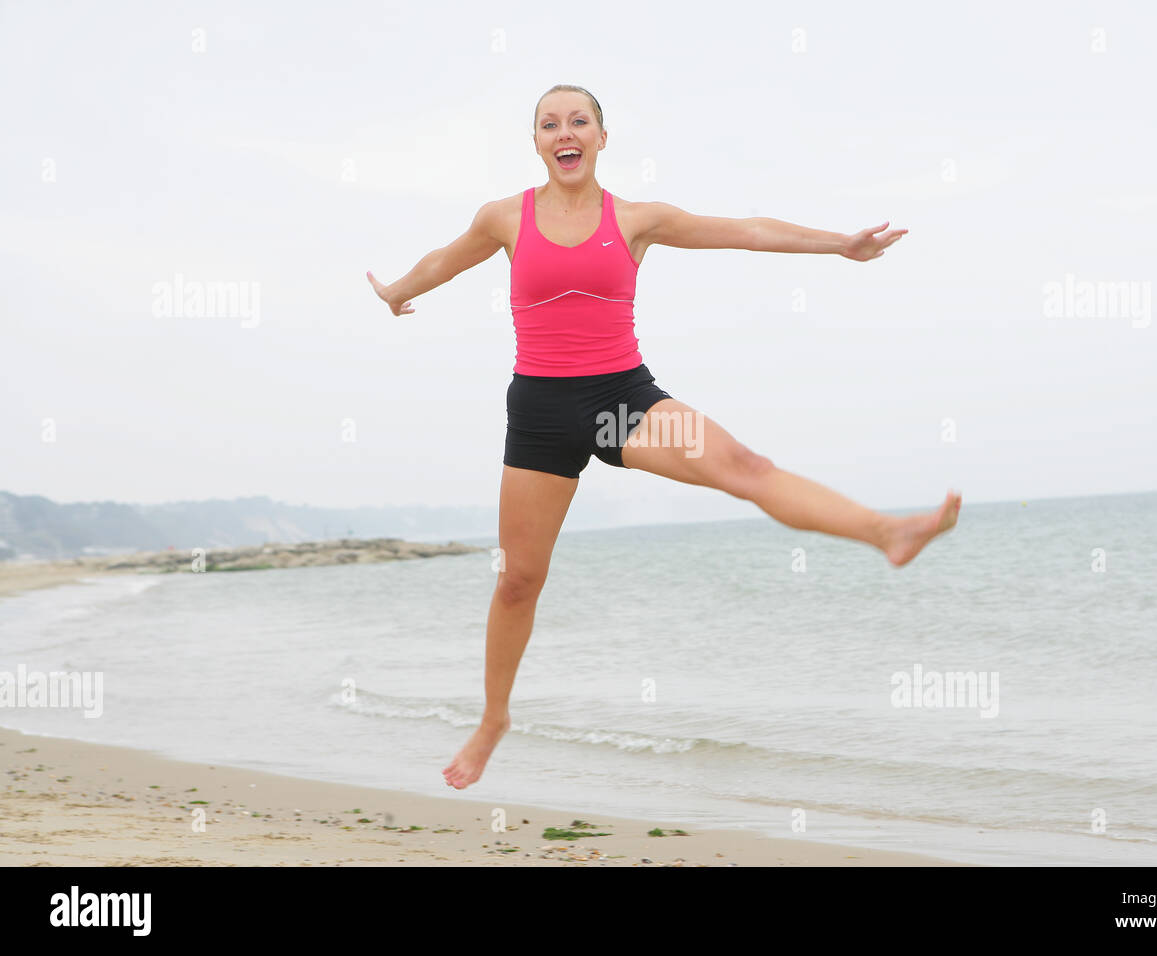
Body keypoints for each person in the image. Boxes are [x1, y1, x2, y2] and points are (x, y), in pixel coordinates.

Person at [366, 84, 961, 790]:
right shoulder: (504, 218)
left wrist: (839, 245)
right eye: (550, 123)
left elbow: (744, 229)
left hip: (620, 400)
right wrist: (397, 290)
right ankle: (495, 717)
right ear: (536, 143)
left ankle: (886, 533)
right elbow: (446, 259)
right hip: (540, 413)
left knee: (743, 465)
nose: (566, 132)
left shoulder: (637, 219)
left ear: (602, 137)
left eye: (579, 121)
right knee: (519, 581)